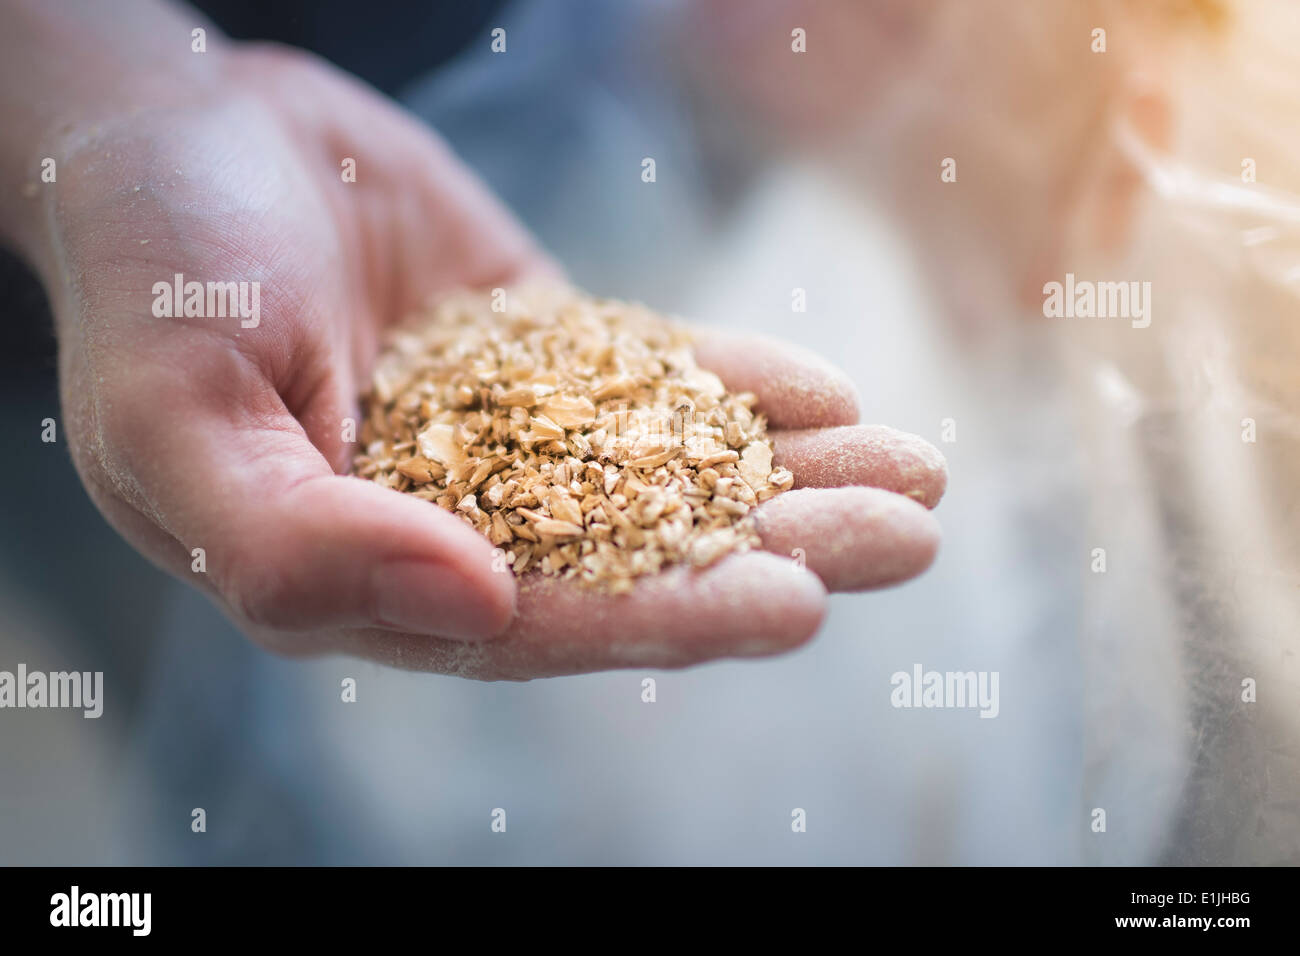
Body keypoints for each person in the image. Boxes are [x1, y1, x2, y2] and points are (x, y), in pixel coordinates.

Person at [0, 0, 946, 680]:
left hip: (533, 53)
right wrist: (107, 90)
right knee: (183, 612)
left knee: (402, 592)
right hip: (51, 310)